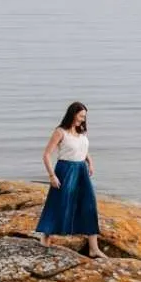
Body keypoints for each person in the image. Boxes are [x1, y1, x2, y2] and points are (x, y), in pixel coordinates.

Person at [36, 101, 103, 258]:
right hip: (65, 170)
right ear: (73, 114)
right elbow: (46, 155)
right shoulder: (60, 132)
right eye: (81, 116)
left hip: (81, 170)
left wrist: (90, 162)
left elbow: (83, 149)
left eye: (84, 116)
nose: (83, 119)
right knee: (59, 203)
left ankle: (94, 248)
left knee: (89, 205)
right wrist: (52, 175)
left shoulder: (81, 131)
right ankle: (45, 237)